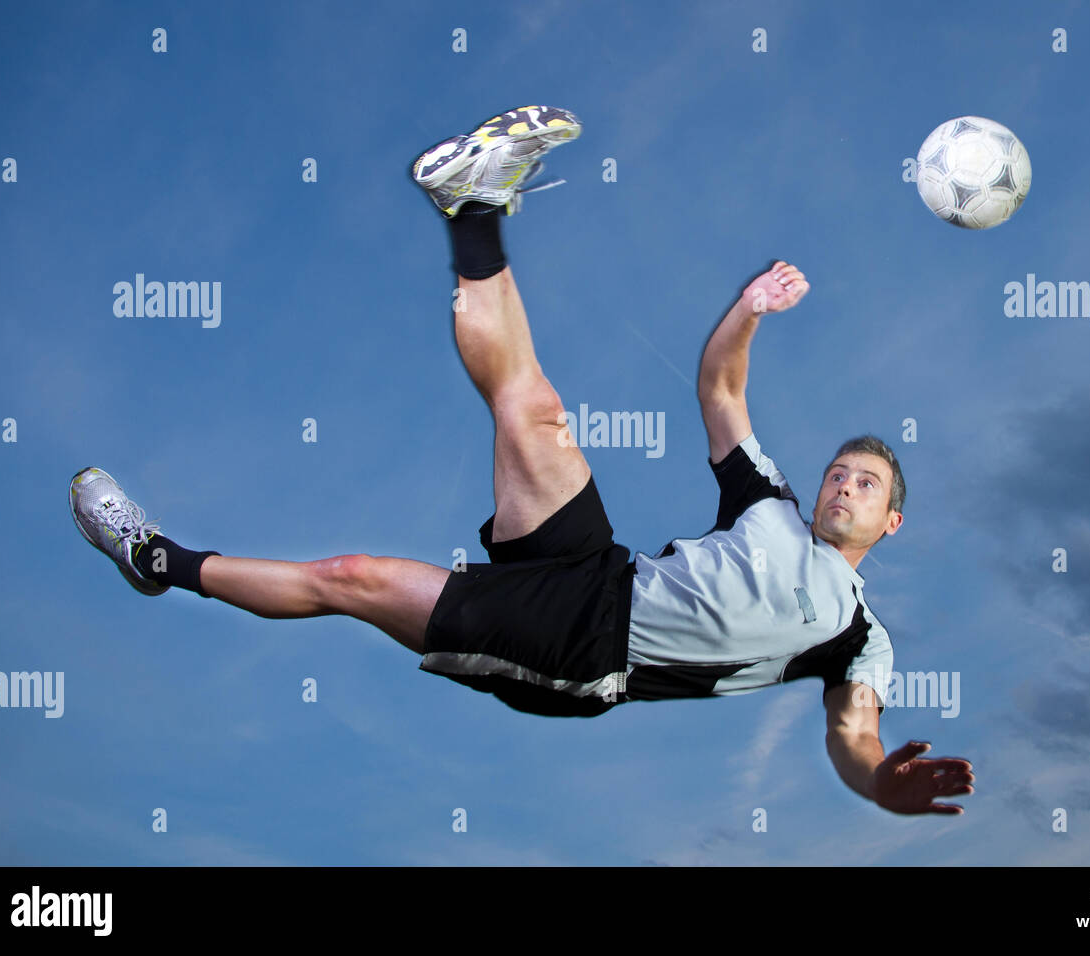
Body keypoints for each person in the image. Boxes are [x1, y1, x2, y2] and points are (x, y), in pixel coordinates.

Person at [70, 105, 973, 815]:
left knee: (352, 578)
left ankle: (157, 561)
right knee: (534, 408)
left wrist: (875, 782)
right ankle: (474, 208)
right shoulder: (768, 505)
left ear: (891, 521)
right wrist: (748, 309)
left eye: (867, 485)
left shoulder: (859, 638)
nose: (843, 486)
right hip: (600, 569)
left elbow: (855, 733)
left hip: (586, 650)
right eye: (840, 473)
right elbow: (721, 393)